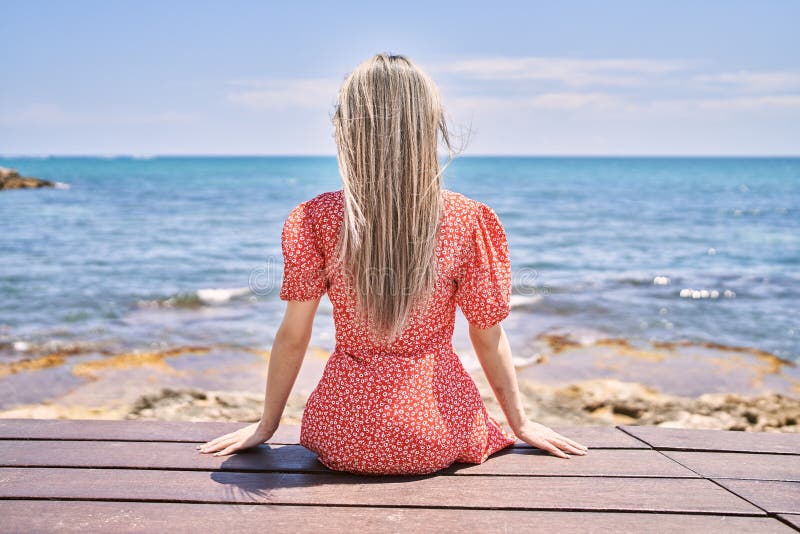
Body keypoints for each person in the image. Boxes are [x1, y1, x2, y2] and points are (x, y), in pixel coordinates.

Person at [198, 53, 589, 474]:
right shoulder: (467, 219)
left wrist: (267, 424)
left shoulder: (315, 218)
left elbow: (294, 335)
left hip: (343, 432)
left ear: (348, 128)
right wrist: (521, 423)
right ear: (428, 126)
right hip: (438, 430)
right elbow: (488, 336)